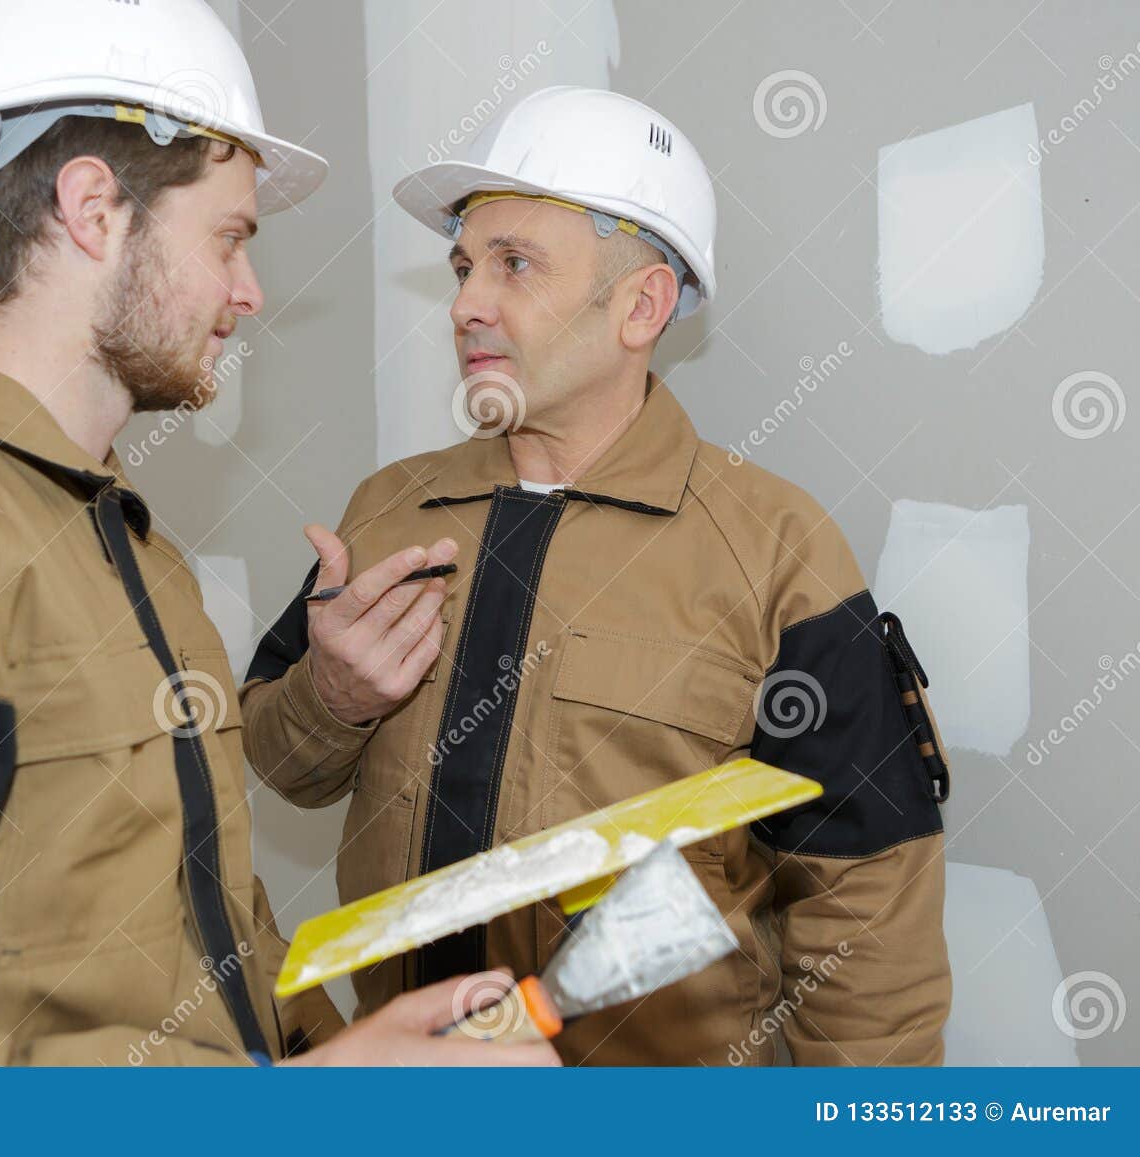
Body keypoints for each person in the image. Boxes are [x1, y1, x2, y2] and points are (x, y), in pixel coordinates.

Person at [0, 0, 557, 1069]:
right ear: (92, 210)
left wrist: (358, 1055)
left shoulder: (138, 564)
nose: (249, 292)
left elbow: (201, 951)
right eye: (229, 237)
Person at [241, 86, 953, 1066]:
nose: (463, 304)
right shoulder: (387, 512)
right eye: (461, 267)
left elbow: (868, 910)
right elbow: (282, 764)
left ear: (640, 305)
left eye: (513, 264)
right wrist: (329, 696)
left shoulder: (775, 551)